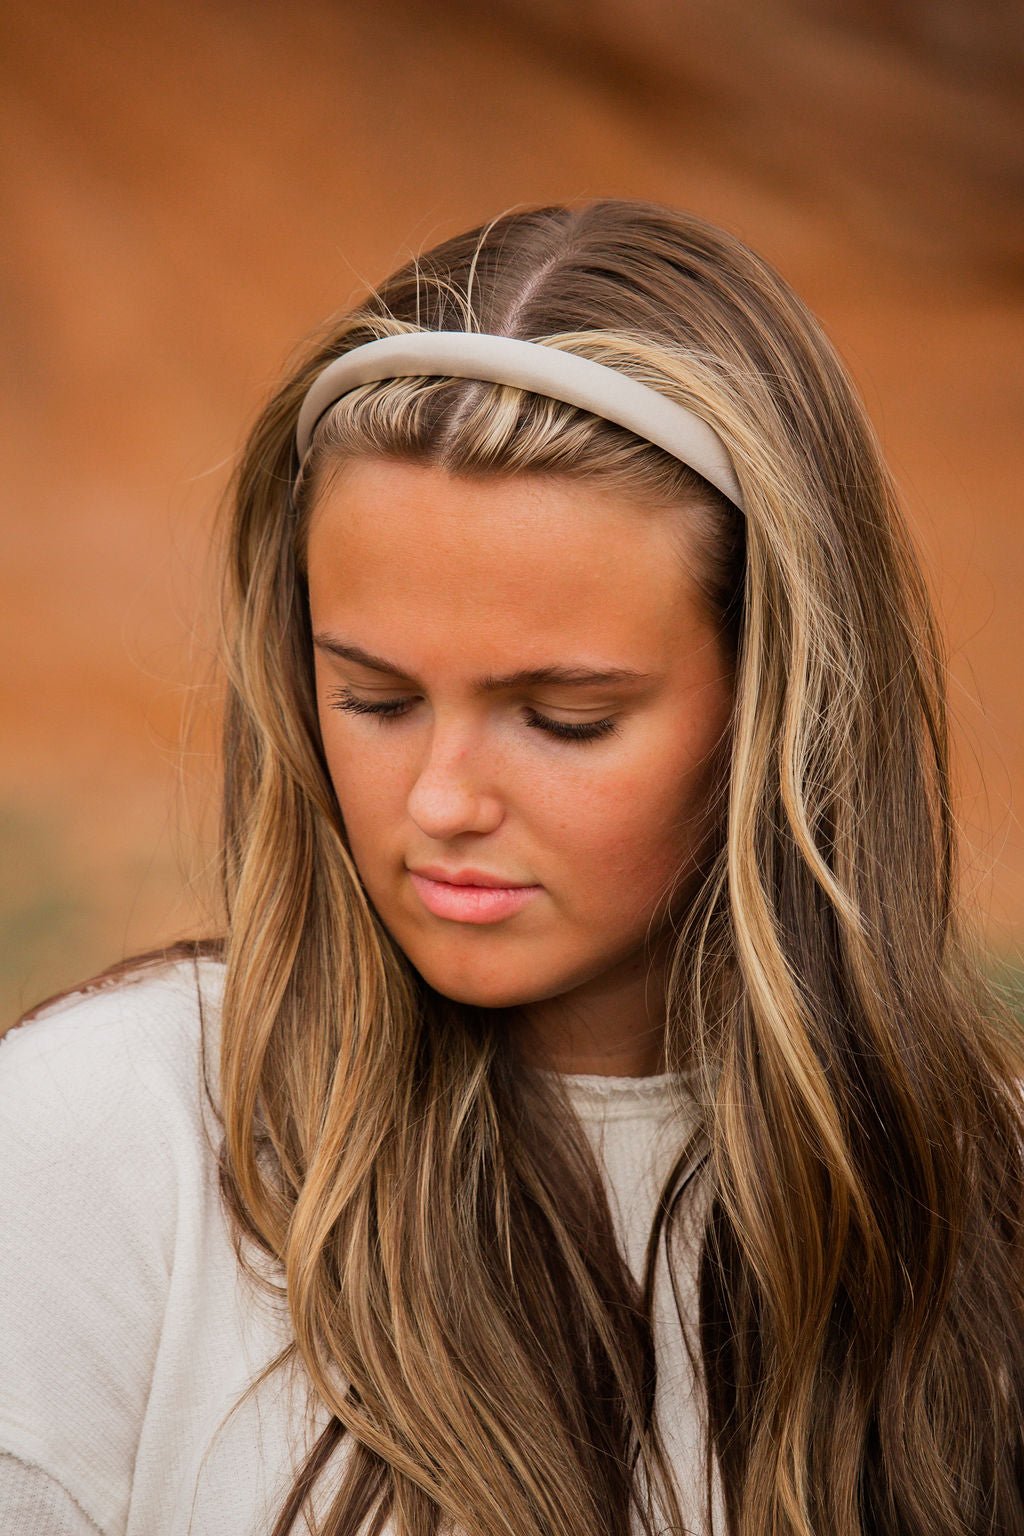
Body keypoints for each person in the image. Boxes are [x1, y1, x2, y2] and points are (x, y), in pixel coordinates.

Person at [1, 198, 1021, 1536]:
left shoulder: (986, 1207)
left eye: (564, 718)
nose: (440, 801)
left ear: (782, 710)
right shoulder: (98, 1145)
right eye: (374, 699)